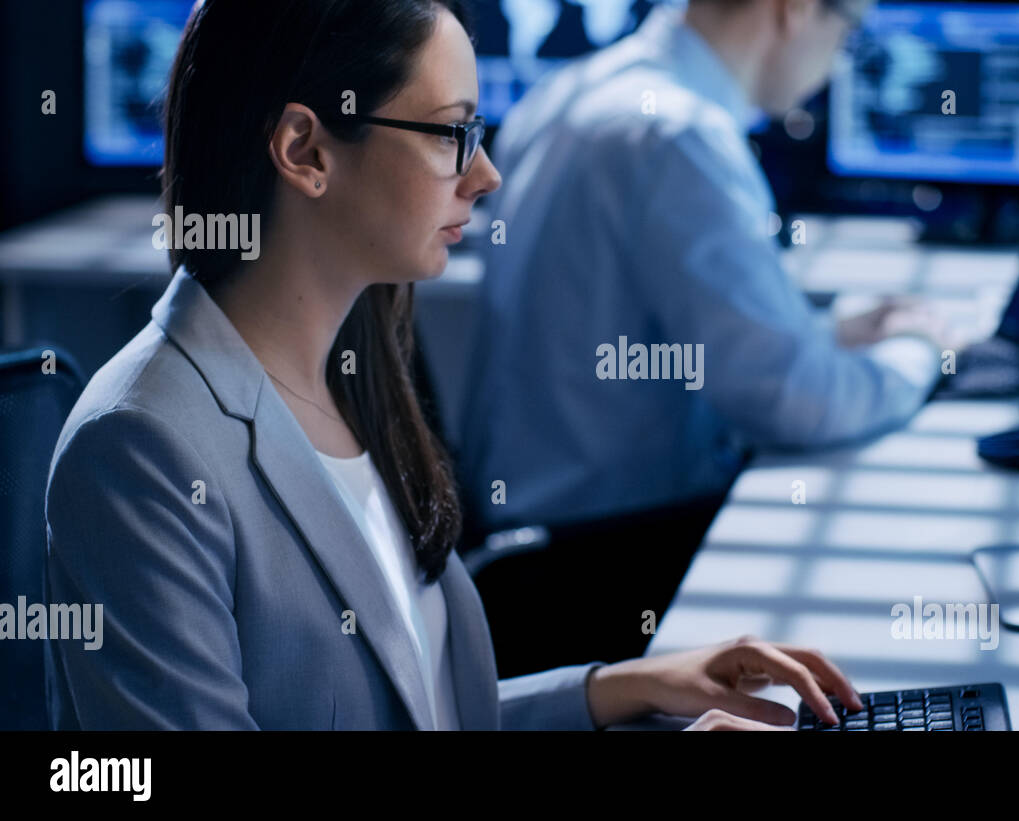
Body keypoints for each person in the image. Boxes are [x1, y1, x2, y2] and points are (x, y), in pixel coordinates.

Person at [43, 0, 863, 731]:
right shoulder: (140, 449)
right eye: (450, 133)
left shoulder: (351, 380)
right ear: (305, 149)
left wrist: (620, 687)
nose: (486, 175)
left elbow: (411, 710)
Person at [460, 0, 945, 672]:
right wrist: (924, 349)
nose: (839, 61)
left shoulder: (576, 91)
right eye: (849, 30)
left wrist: (824, 330)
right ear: (795, 10)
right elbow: (796, 401)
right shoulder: (678, 134)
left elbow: (620, 316)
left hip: (534, 549)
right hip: (606, 568)